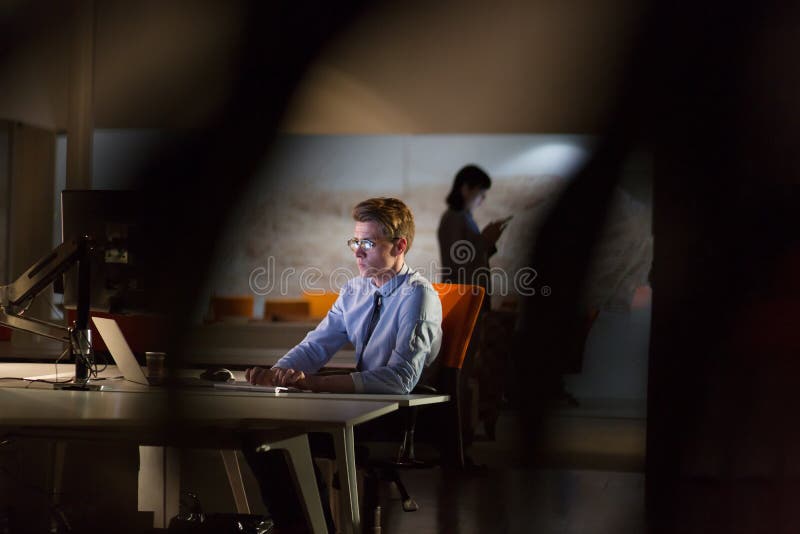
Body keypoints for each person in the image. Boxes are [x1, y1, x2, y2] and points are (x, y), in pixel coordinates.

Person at [243, 197, 443, 532]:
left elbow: (399, 380)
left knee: (277, 440)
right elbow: (315, 347)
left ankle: (312, 527)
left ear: (400, 245)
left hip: (392, 416)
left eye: (368, 242)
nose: (357, 252)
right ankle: (311, 527)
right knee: (259, 436)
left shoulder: (418, 295)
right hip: (354, 407)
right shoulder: (354, 291)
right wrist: (276, 373)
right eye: (355, 241)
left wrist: (313, 383)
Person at [437, 164, 511, 302]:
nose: (483, 198)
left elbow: (474, 254)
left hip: (468, 293)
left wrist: (488, 240)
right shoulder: (454, 217)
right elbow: (458, 259)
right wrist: (485, 239)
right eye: (481, 193)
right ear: (466, 189)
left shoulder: (465, 217)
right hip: (461, 295)